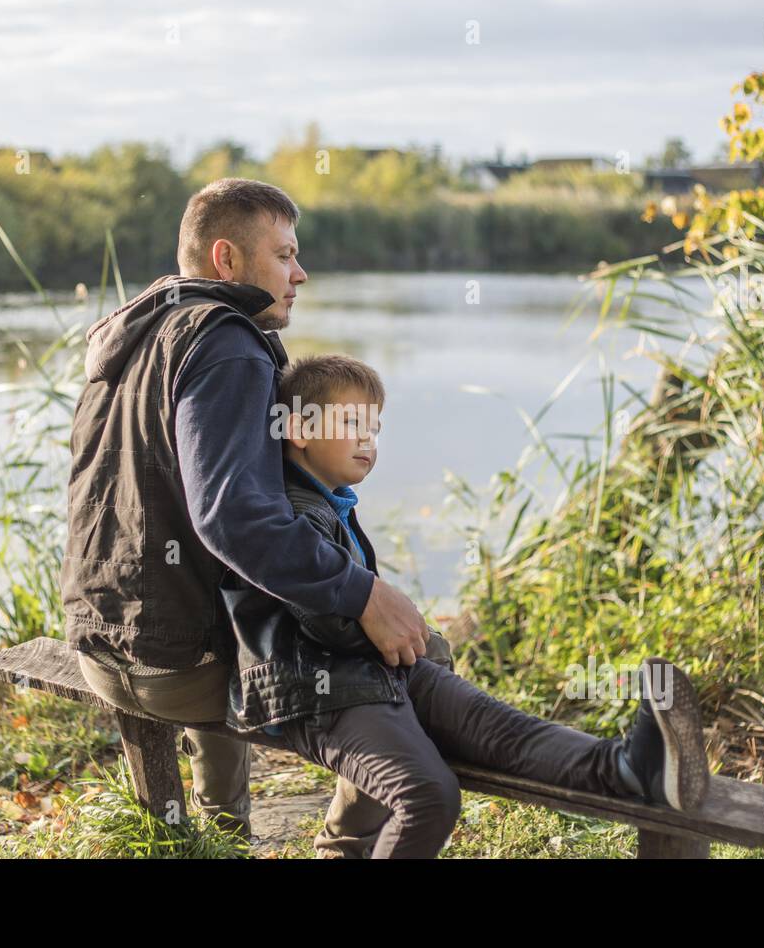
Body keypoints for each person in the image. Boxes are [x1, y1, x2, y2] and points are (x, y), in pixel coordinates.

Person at [63, 178, 433, 857]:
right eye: (285, 255)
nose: (301, 273)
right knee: (419, 656)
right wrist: (363, 593)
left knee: (223, 593)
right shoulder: (228, 345)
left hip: (101, 643)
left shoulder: (134, 332)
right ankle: (345, 847)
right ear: (227, 261)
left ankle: (223, 831)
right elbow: (231, 518)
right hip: (171, 668)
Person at [219, 352, 711, 857]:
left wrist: (410, 634)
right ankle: (623, 768)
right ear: (299, 430)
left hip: (371, 671)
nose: (369, 439)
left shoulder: (329, 502)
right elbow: (329, 622)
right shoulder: (297, 514)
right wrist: (401, 623)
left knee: (498, 727)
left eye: (376, 428)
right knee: (428, 794)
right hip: (322, 694)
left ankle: (628, 767)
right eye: (352, 423)